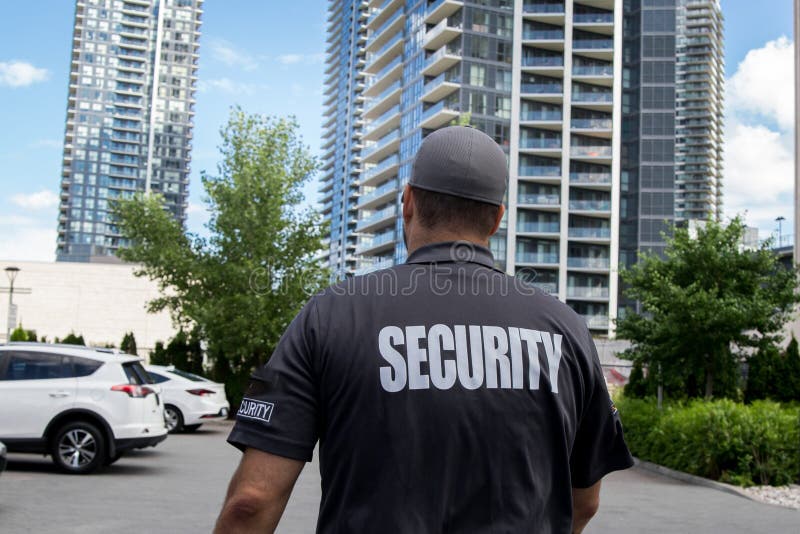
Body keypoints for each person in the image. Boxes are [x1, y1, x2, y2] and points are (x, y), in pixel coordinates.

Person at [214, 126, 634, 533]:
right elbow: (584, 501)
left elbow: (252, 501)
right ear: (496, 219)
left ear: (409, 202)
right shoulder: (566, 329)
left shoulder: (329, 316)